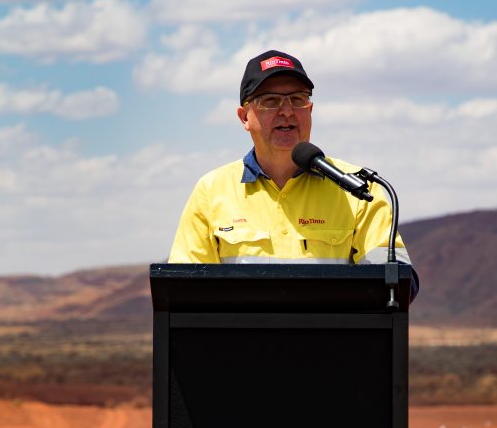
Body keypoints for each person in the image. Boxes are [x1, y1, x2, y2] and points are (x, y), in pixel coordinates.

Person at [169, 49, 418, 297]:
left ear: (310, 110)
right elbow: (183, 292)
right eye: (270, 101)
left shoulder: (358, 189)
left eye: (298, 99)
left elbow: (397, 287)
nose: (287, 111)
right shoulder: (211, 192)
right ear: (244, 117)